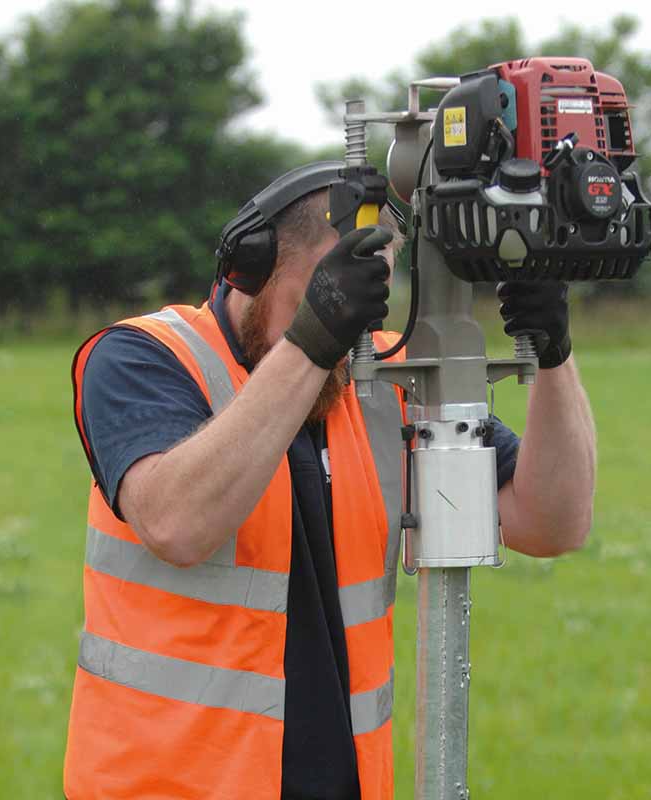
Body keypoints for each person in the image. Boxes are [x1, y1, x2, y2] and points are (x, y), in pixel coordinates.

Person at [63, 162, 596, 800]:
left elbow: (552, 522)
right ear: (249, 270)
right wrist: (314, 339)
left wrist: (555, 354)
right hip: (171, 785)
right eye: (318, 303)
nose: (349, 340)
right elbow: (177, 524)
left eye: (360, 309)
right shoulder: (142, 356)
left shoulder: (380, 371)